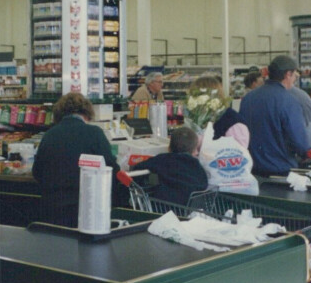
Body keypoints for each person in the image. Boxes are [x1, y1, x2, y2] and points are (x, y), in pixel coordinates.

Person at [31, 92, 126, 227]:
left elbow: (37, 172)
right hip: (87, 209)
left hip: (52, 209)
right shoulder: (94, 133)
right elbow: (110, 169)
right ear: (87, 113)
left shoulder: (49, 134)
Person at [235, 55, 311, 177]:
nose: (295, 79)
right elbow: (299, 141)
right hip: (281, 170)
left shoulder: (248, 98)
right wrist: (307, 153)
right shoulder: (289, 101)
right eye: (294, 75)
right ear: (288, 74)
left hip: (252, 170)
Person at [130, 126, 209, 206]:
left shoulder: (161, 160)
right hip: (190, 210)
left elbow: (137, 169)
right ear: (194, 151)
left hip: (163, 208)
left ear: (169, 148)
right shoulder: (197, 167)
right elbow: (203, 185)